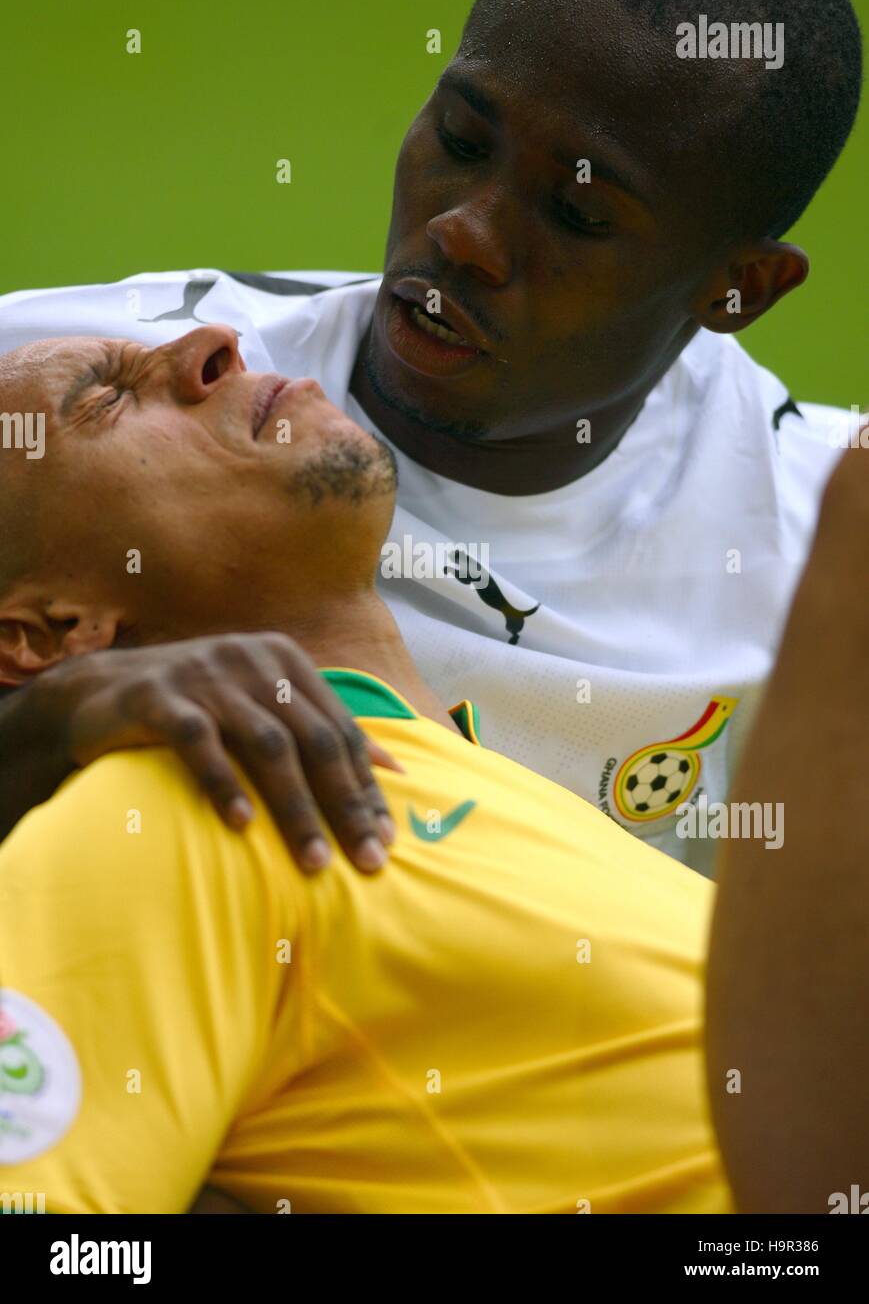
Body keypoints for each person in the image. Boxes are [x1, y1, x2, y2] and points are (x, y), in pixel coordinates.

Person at [0, 0, 862, 874]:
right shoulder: (87, 386)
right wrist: (41, 733)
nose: (464, 234)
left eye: (576, 213)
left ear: (736, 288)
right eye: (460, 138)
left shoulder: (824, 549)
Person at [1, 331, 865, 1215]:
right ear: (49, 629)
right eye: (105, 401)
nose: (210, 345)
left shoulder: (545, 812)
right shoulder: (177, 807)